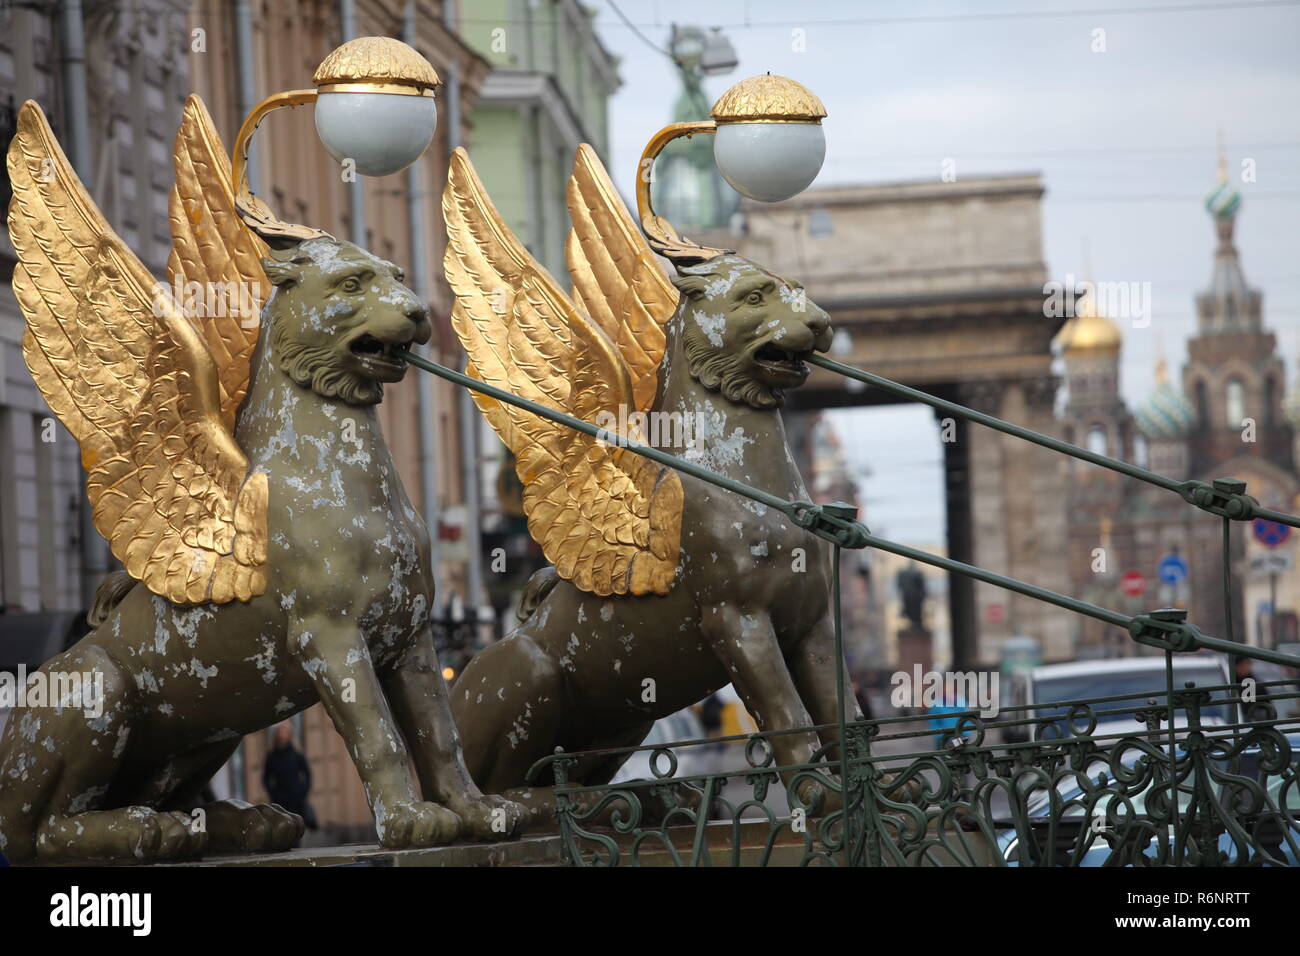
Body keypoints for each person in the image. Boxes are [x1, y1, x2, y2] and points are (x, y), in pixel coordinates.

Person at [262, 722, 317, 835]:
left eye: (284, 733)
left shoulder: (297, 755)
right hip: (280, 801)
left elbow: (307, 775)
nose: (281, 736)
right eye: (279, 733)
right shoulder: (272, 757)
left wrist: (303, 791)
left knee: (296, 829)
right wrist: (274, 794)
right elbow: (266, 778)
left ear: (289, 735)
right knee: (281, 829)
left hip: (296, 800)